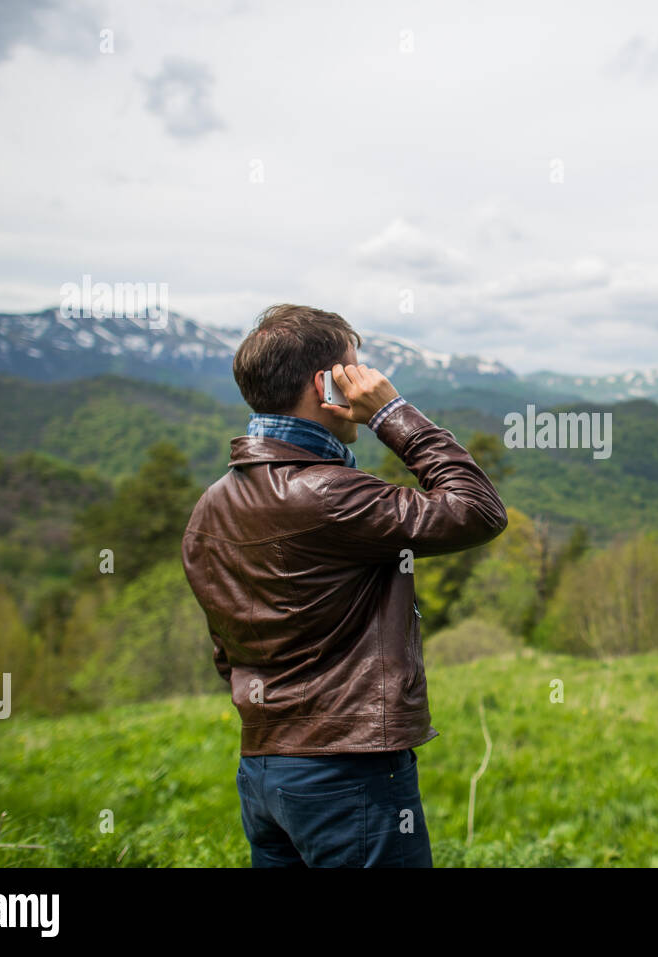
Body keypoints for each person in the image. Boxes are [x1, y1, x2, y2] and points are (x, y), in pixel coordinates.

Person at [180, 303, 508, 867]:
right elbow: (478, 509)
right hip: (347, 768)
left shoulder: (210, 506)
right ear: (324, 383)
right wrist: (393, 414)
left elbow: (227, 649)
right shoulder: (332, 494)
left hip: (263, 770)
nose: (364, 383)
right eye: (353, 370)